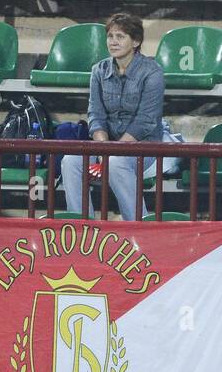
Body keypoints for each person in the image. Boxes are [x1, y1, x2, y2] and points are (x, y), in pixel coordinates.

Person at [61, 12, 165, 221]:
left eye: (120, 37)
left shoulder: (152, 72)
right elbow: (95, 115)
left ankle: (138, 227)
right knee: (70, 161)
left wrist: (111, 152)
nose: (113, 42)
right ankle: (82, 229)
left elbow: (146, 121)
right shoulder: (98, 71)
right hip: (105, 147)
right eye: (110, 36)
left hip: (142, 146)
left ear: (136, 41)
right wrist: (103, 148)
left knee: (116, 162)